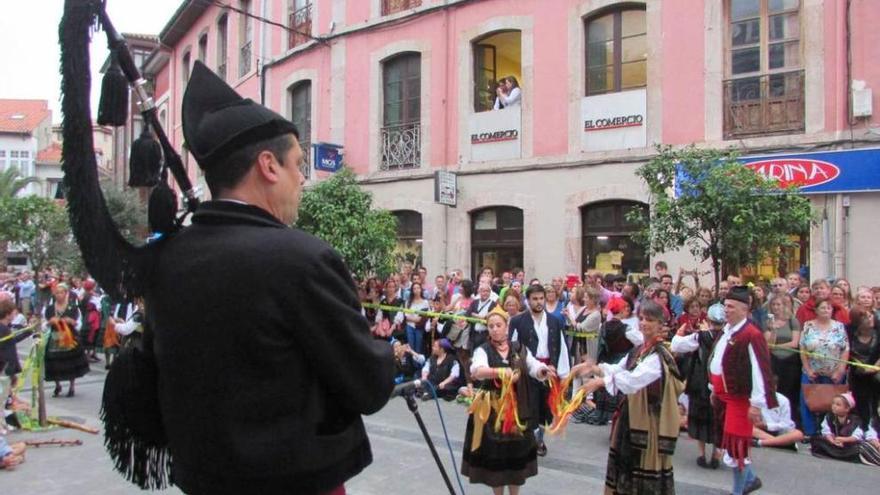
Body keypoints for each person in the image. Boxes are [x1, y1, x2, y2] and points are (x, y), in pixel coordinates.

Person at [142, 61, 395, 494]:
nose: (302, 178)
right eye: (297, 163)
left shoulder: (165, 258)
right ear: (268, 165)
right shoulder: (301, 258)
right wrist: (384, 351)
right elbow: (367, 386)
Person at [575, 301, 685, 495]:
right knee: (625, 466)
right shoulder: (639, 350)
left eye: (649, 320)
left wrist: (600, 382)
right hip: (631, 417)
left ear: (661, 325)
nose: (643, 323)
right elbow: (618, 368)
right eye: (641, 318)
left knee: (642, 471)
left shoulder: (659, 356)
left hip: (649, 423)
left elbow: (633, 380)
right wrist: (593, 368)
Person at [461, 307, 553, 494]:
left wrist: (542, 370)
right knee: (496, 457)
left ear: (507, 326)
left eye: (498, 325)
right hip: (492, 411)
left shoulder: (518, 348)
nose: (494, 329)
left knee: (516, 456)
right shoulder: (483, 350)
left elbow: (533, 365)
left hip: (517, 409)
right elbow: (477, 371)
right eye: (491, 326)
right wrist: (500, 372)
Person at [707, 286, 777, 495]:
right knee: (731, 444)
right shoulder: (728, 331)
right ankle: (750, 479)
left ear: (744, 309)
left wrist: (756, 404)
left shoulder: (751, 334)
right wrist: (714, 388)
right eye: (725, 306)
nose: (726, 310)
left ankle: (739, 489)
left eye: (731, 307)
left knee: (737, 446)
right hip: (725, 396)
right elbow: (718, 362)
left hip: (740, 399)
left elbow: (760, 369)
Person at [508, 284, 570, 457]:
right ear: (527, 301)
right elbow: (513, 347)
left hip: (549, 369)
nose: (538, 302)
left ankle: (539, 439)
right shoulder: (518, 321)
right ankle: (530, 440)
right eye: (534, 299)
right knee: (529, 405)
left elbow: (561, 346)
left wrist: (562, 373)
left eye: (541, 298)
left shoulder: (555, 321)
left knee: (545, 408)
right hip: (527, 369)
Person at [671, 303, 726, 469]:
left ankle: (702, 454)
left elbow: (676, 345)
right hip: (720, 384)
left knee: (700, 418)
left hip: (700, 383)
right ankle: (717, 454)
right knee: (718, 419)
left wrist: (679, 332)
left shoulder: (700, 337)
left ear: (708, 320)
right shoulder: (728, 338)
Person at [799, 298, 850, 437]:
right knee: (807, 401)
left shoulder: (839, 326)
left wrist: (840, 370)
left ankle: (829, 431)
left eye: (828, 308)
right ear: (816, 310)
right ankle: (810, 432)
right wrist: (808, 369)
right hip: (812, 371)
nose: (826, 310)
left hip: (833, 372)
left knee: (832, 402)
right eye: (822, 307)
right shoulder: (808, 325)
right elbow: (802, 348)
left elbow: (845, 349)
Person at [42, 282, 89, 398]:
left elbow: (79, 324)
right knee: (53, 362)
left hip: (70, 337)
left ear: (66, 294)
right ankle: (57, 385)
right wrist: (49, 322)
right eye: (57, 293)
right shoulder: (49, 308)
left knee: (71, 361)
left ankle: (71, 386)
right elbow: (44, 326)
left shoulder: (73, 307)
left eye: (61, 292)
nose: (59, 295)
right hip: (55, 338)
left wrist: (71, 322)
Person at [763, 293, 802, 428]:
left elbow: (795, 343)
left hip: (790, 360)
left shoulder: (792, 321)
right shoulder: (768, 323)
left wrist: (777, 346)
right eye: (773, 305)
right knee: (775, 389)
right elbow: (768, 344)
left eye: (778, 304)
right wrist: (773, 330)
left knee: (790, 390)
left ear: (784, 306)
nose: (776, 307)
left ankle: (792, 421)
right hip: (774, 360)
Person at [848, 307, 880, 425]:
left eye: (871, 316)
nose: (870, 319)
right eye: (866, 317)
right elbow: (846, 352)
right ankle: (864, 428)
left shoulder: (879, 330)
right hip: (857, 374)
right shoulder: (849, 332)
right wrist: (861, 367)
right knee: (861, 403)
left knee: (876, 403)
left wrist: (873, 368)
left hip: (877, 373)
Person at [810, 392, 865, 462]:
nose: (834, 406)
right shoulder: (829, 417)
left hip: (848, 445)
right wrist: (832, 441)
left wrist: (843, 440)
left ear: (847, 408)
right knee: (816, 439)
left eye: (838, 405)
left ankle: (837, 454)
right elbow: (826, 432)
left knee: (860, 448)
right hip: (834, 443)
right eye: (833, 403)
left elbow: (856, 437)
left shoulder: (856, 420)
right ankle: (837, 454)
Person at [751, 385, 804, 450]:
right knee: (750, 429)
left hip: (778, 431)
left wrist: (767, 425)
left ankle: (762, 442)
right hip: (760, 432)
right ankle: (782, 443)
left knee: (798, 434)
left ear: (775, 386)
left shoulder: (783, 400)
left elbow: (786, 424)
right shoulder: (753, 398)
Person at [466, 282, 497, 353]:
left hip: (486, 335)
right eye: (483, 291)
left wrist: (476, 316)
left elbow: (491, 319)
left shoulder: (494, 304)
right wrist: (482, 317)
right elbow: (468, 314)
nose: (485, 293)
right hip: (474, 334)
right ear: (479, 292)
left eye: (487, 291)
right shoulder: (475, 302)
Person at [404, 281, 430, 356]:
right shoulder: (408, 302)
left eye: (418, 288)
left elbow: (425, 316)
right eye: (414, 288)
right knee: (411, 346)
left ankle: (417, 365)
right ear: (412, 290)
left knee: (418, 347)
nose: (416, 290)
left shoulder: (425, 302)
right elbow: (406, 316)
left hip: (419, 327)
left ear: (421, 289)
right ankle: (411, 365)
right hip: (410, 326)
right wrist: (417, 319)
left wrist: (418, 319)